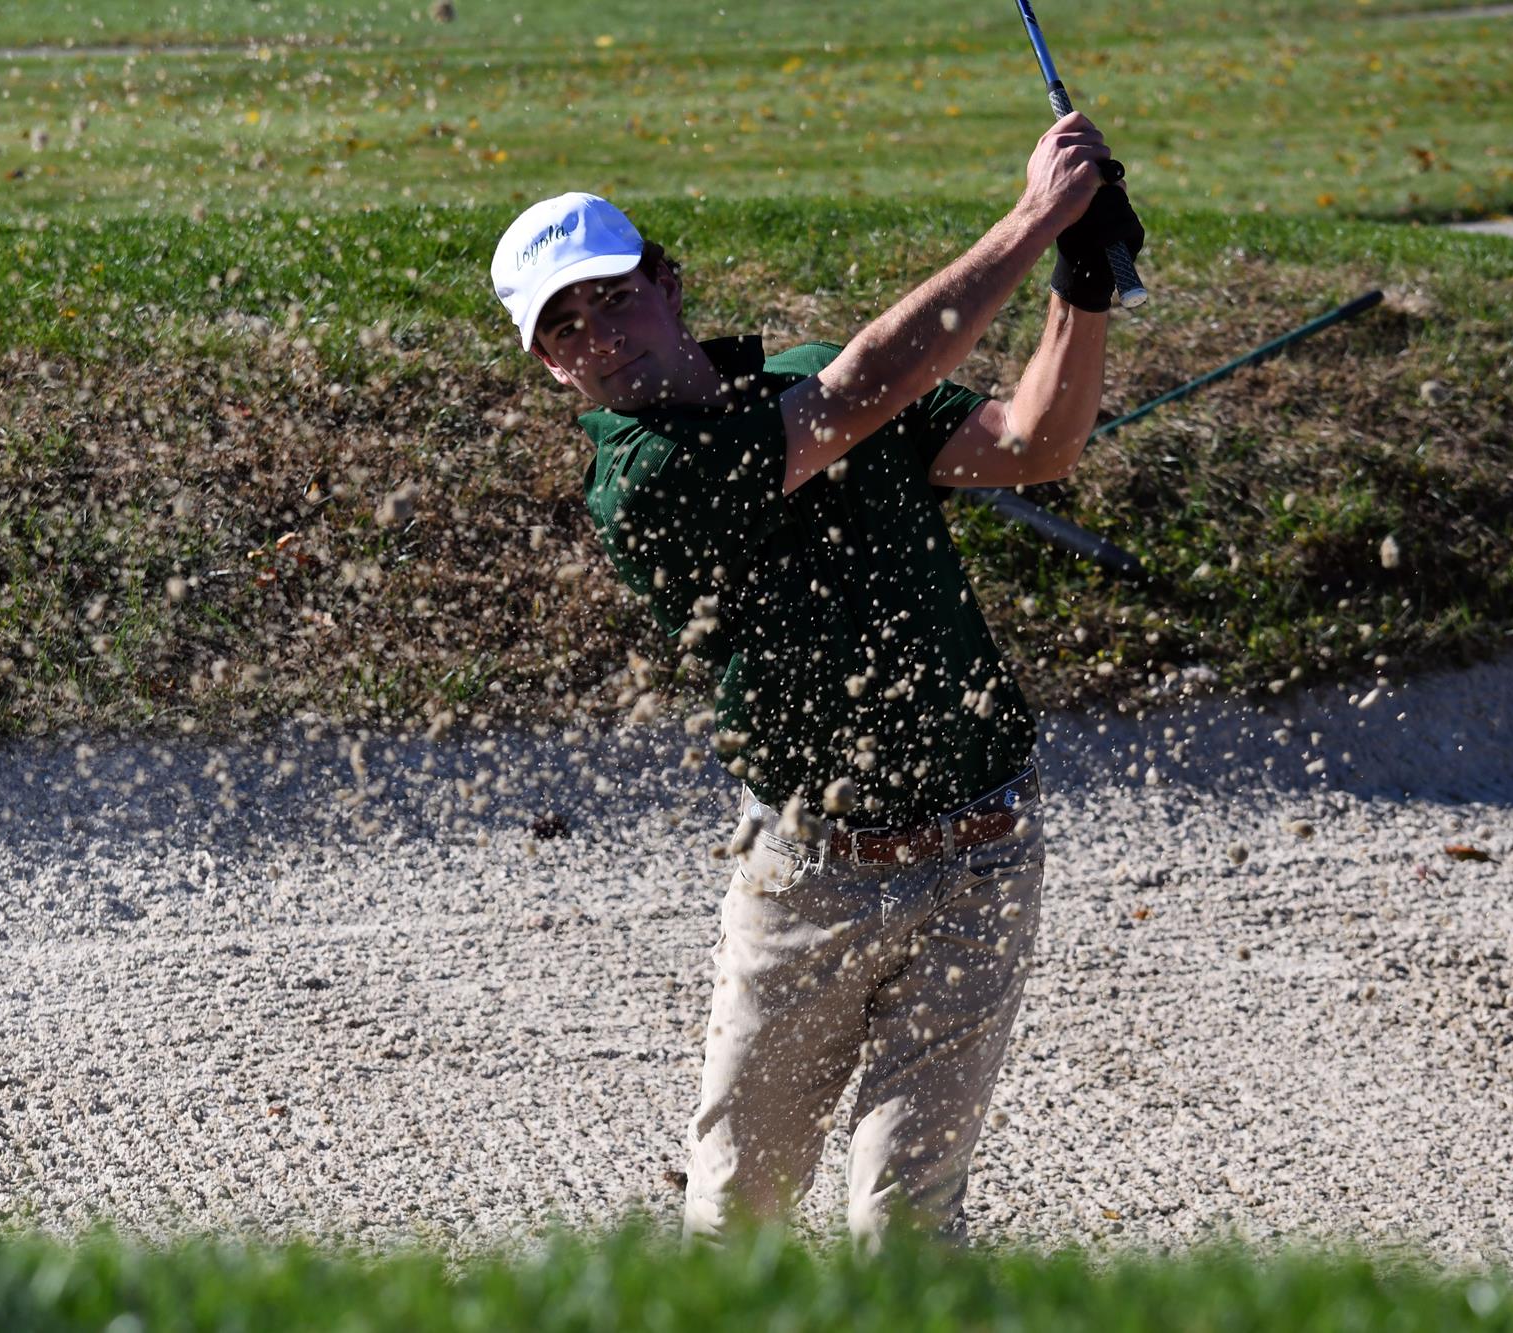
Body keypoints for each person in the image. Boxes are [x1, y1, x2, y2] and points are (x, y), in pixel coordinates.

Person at [489, 113, 1143, 1252]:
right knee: (732, 1219)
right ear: (547, 363)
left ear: (666, 283)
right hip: (807, 879)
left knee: (904, 1233)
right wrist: (1036, 218)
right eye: (564, 326)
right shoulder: (638, 478)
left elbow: (1035, 443)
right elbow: (855, 393)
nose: (598, 335)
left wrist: (1077, 287)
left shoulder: (801, 381)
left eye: (610, 296)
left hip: (979, 858)